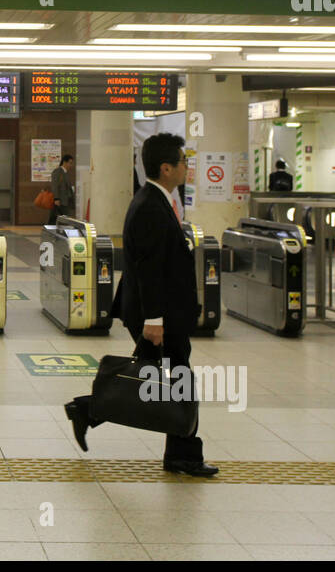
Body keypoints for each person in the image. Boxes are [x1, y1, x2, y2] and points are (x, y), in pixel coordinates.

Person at [65, 132, 218, 478]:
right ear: (166, 168)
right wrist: (154, 320)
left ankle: (89, 411)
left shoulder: (156, 200)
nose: (187, 168)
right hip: (157, 314)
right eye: (183, 162)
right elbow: (149, 270)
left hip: (161, 312)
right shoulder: (150, 205)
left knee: (151, 377)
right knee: (178, 379)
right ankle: (183, 454)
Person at [49, 154, 76, 225]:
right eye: (70, 163)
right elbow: (55, 185)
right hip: (60, 201)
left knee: (61, 219)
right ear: (64, 162)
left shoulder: (65, 173)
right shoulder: (58, 171)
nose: (71, 165)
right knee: (60, 219)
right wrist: (56, 198)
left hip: (65, 201)